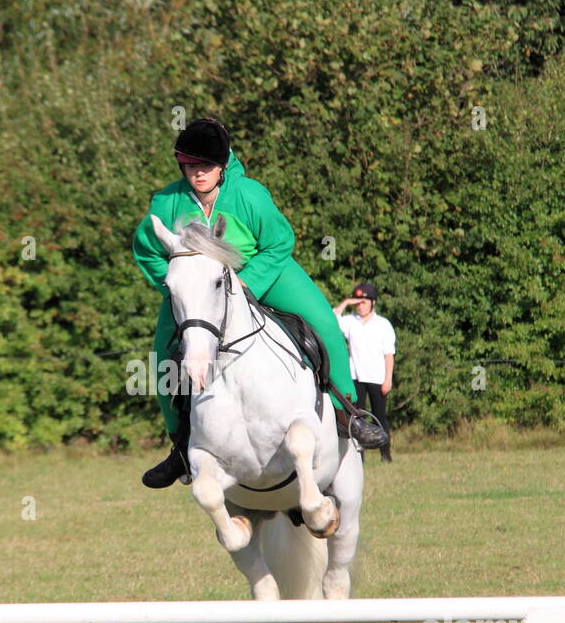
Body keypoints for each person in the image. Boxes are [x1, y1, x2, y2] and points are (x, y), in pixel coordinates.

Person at [131, 117, 388, 488]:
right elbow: (146, 250)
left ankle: (349, 412)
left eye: (206, 166)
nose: (198, 174)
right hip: (200, 292)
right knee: (161, 355)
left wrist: (244, 284)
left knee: (325, 322)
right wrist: (181, 288)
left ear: (222, 166)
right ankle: (181, 447)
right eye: (190, 167)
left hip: (263, 271)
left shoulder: (250, 194)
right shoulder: (166, 202)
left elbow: (280, 241)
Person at [334, 282, 395, 462]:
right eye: (358, 303)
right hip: (356, 377)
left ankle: (385, 454)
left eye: (364, 302)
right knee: (357, 417)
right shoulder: (350, 322)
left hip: (377, 377)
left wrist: (388, 379)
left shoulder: (383, 324)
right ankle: (359, 457)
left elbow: (389, 354)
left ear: (373, 303)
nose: (361, 306)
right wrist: (346, 302)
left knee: (379, 416)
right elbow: (332, 319)